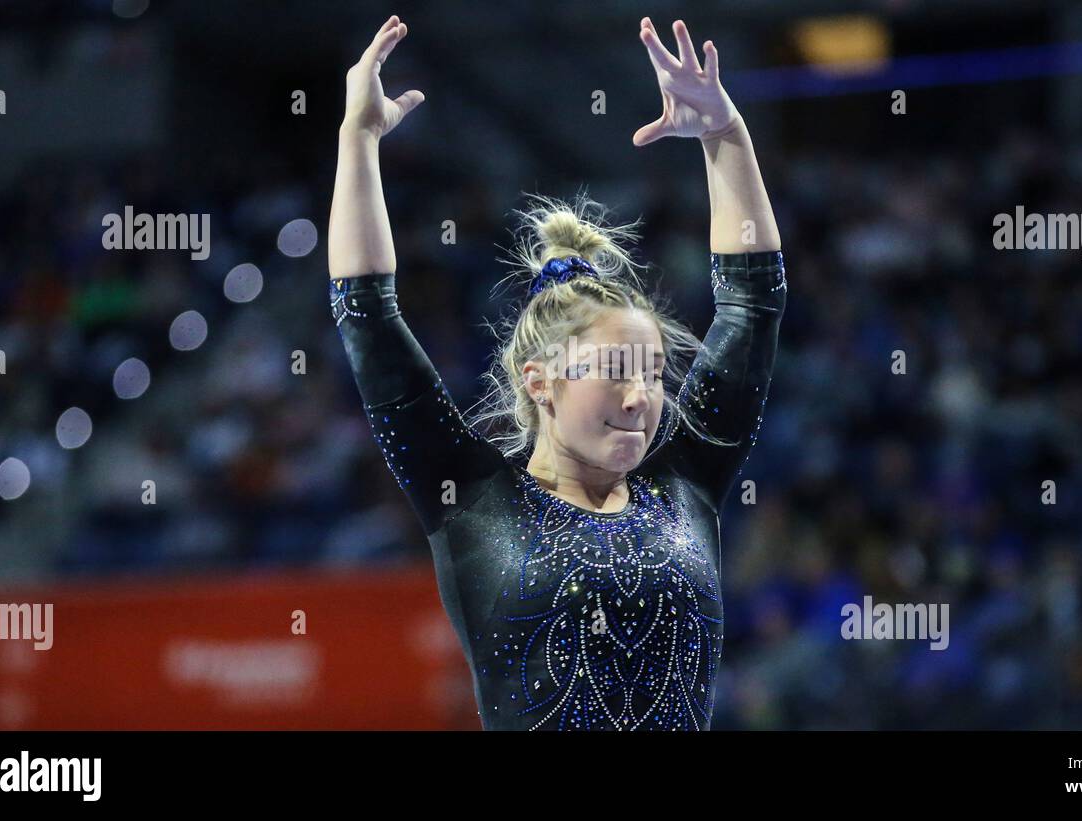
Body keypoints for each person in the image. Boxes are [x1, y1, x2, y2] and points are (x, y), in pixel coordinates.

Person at [328, 14, 785, 730]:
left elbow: (752, 304)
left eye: (654, 373)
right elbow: (369, 317)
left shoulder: (686, 483)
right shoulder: (473, 501)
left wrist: (726, 137)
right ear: (542, 381)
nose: (641, 397)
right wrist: (356, 141)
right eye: (613, 372)